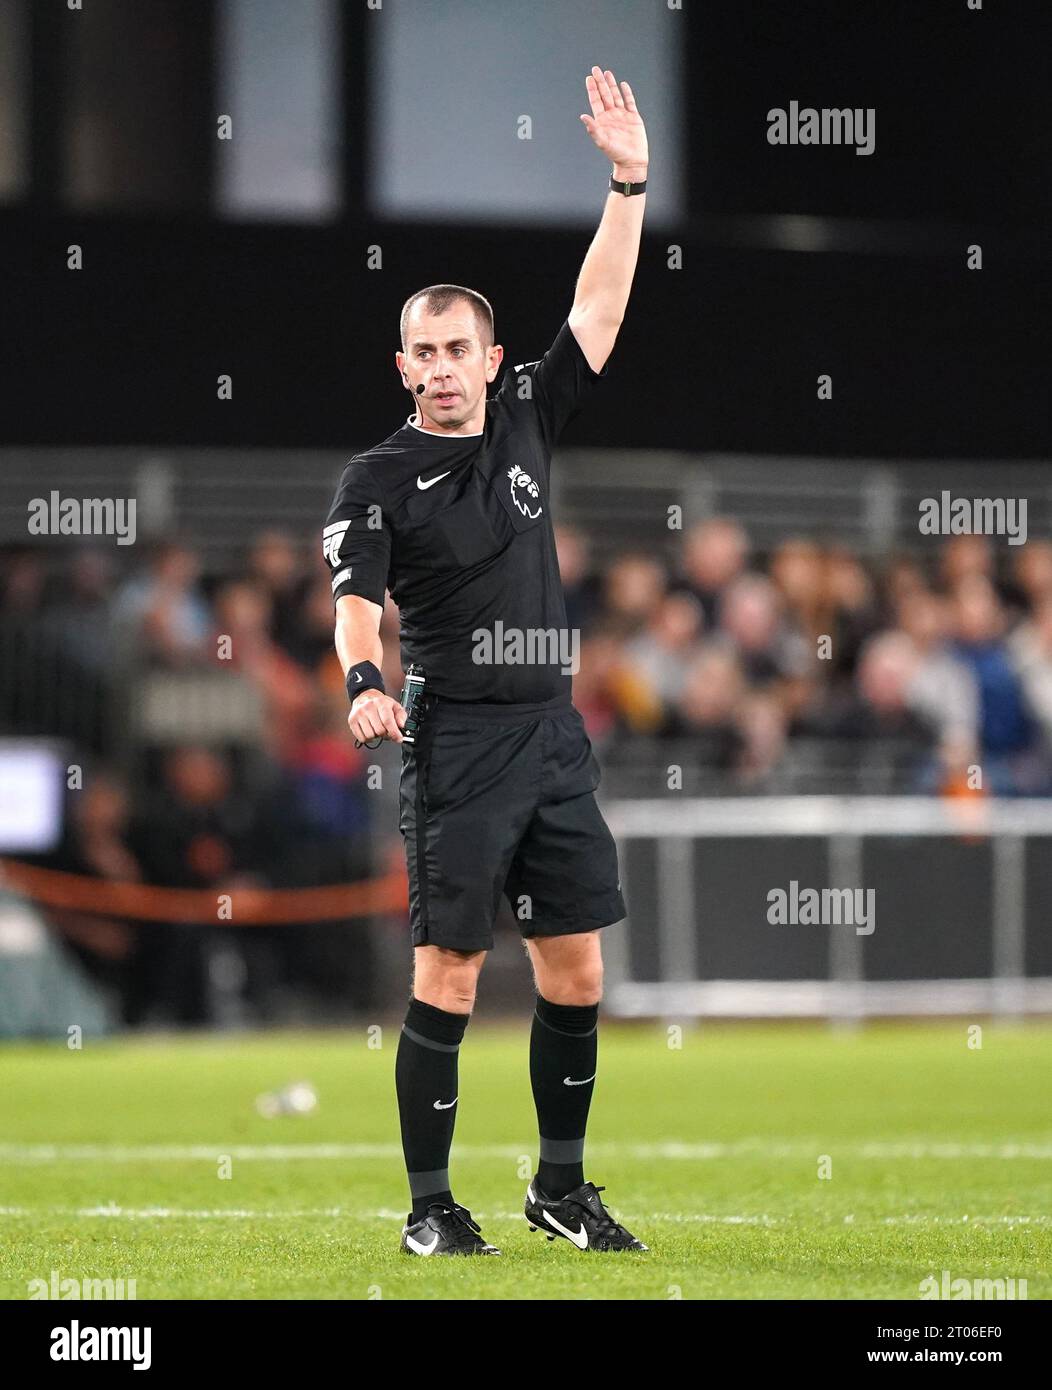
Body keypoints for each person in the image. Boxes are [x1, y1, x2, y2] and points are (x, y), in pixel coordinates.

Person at [322, 67, 649, 1257]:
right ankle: (427, 1208)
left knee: (574, 968)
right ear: (403, 364)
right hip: (453, 740)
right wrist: (362, 682)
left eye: (460, 346)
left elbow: (601, 307)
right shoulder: (373, 480)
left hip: (551, 735)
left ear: (488, 351)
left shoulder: (524, 412)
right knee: (450, 976)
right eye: (425, 350)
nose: (444, 365)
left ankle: (558, 1188)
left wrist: (626, 180)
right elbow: (356, 602)